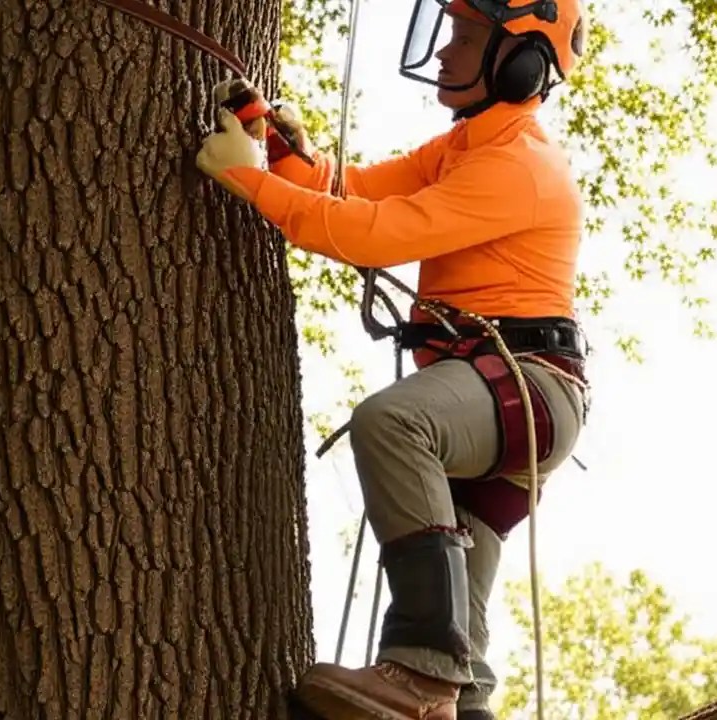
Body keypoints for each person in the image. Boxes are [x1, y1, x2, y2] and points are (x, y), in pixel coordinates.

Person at [196, 0, 590, 717]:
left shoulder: (518, 163)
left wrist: (249, 181)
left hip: (524, 392)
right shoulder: (464, 149)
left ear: (522, 61)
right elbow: (353, 192)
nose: (443, 52)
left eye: (465, 37)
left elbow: (375, 233)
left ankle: (422, 670)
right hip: (488, 403)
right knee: (465, 656)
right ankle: (449, 694)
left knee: (393, 424)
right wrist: (282, 158)